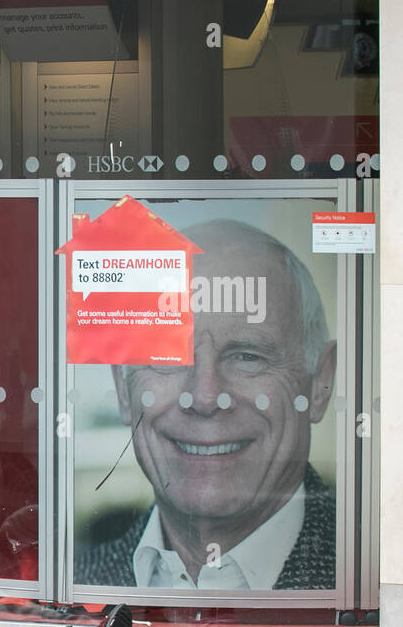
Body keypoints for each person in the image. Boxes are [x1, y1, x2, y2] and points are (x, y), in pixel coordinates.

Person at [75, 220, 338, 591]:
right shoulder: (74, 581)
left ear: (320, 383)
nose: (205, 397)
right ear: (122, 386)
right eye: (168, 359)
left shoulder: (371, 575)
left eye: (247, 356)